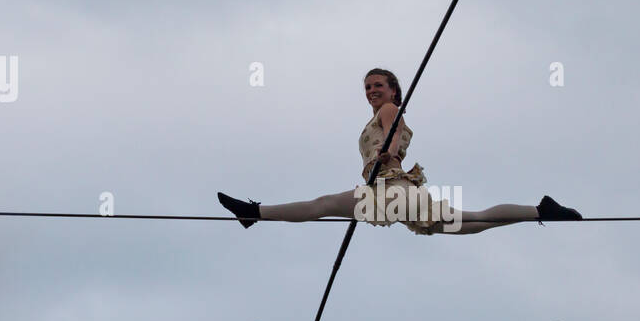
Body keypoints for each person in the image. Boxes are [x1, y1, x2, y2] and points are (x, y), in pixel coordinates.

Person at [217, 68, 581, 235]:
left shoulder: (389, 111)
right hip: (397, 196)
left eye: (378, 85)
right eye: (367, 87)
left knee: (323, 205)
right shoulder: (378, 115)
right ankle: (539, 210)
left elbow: (392, 138)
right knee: (471, 222)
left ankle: (254, 213)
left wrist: (387, 155)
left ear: (393, 90)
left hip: (391, 189)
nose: (371, 91)